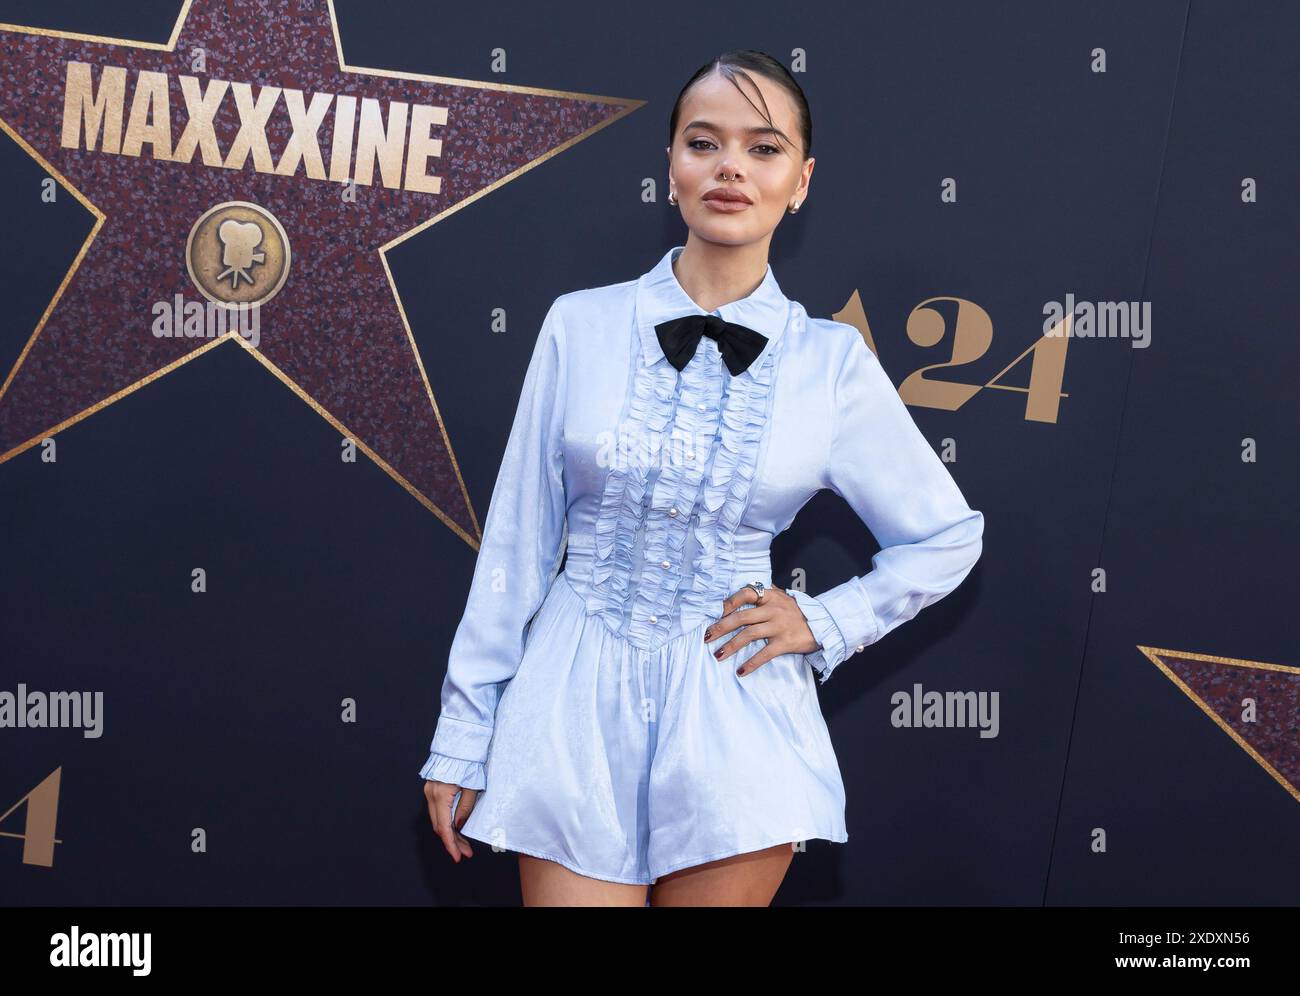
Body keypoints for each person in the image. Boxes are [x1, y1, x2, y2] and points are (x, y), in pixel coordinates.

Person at [421, 50, 984, 906]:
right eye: (703, 142)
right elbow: (517, 544)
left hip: (735, 701)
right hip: (569, 695)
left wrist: (827, 618)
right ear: (672, 169)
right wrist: (465, 731)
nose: (730, 168)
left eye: (763, 148)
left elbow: (947, 535)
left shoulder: (830, 364)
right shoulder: (581, 324)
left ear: (801, 182)